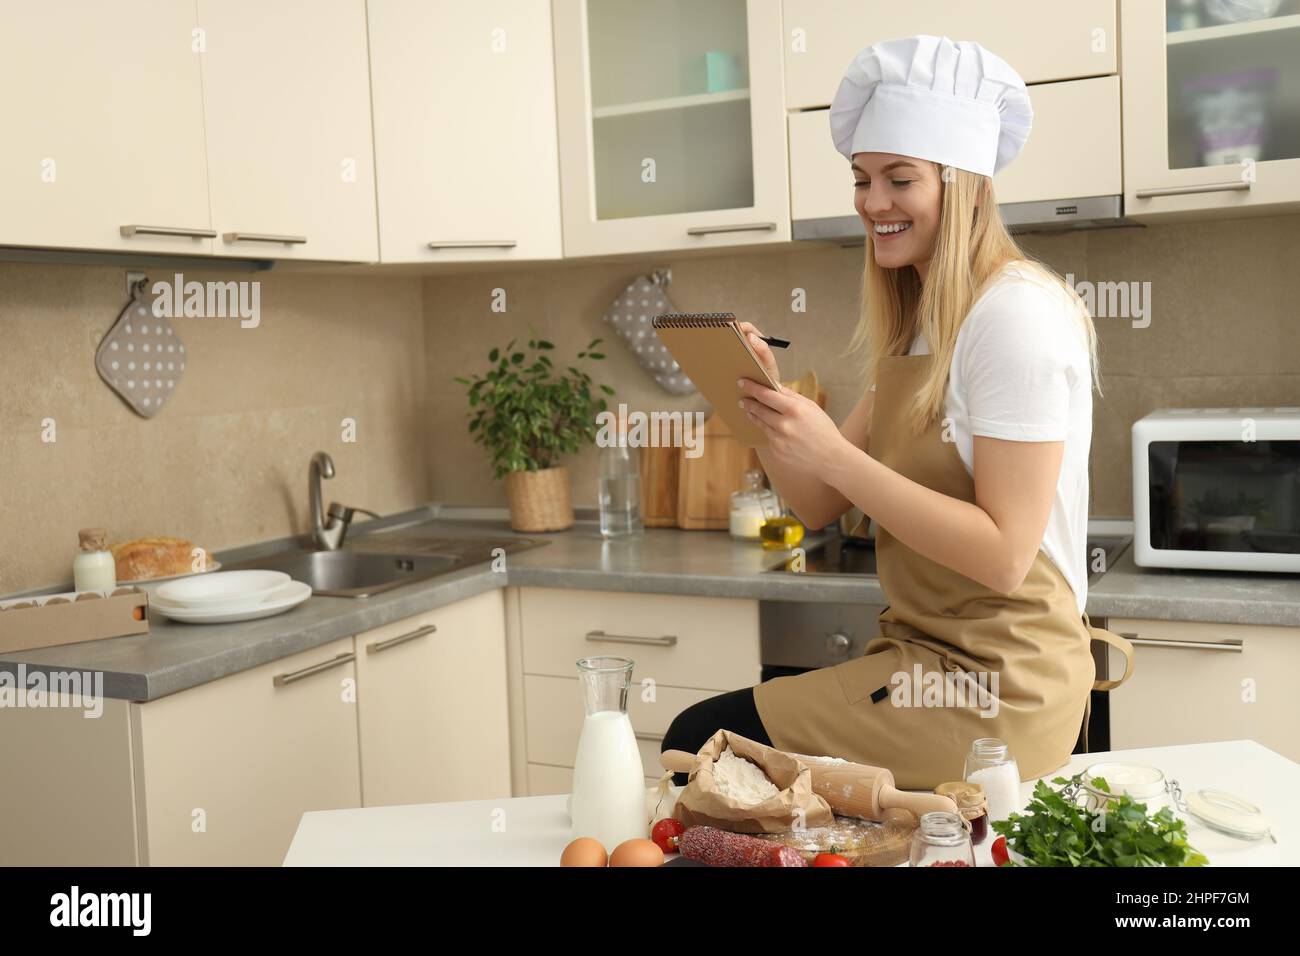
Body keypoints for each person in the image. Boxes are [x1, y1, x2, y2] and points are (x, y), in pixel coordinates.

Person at [661, 35, 1133, 789]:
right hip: (922, 659)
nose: (872, 203)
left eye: (899, 179)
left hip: (998, 687)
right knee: (712, 755)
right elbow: (815, 501)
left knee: (702, 744)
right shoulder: (926, 325)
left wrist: (837, 454)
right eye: (862, 179)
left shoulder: (1016, 315)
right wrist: (766, 401)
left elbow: (1007, 554)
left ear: (967, 185)